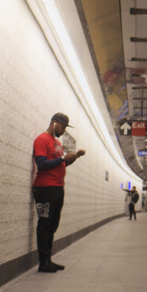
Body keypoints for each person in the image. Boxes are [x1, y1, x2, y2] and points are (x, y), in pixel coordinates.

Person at [32, 112, 86, 273]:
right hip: (45, 188)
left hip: (57, 188)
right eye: (62, 127)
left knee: (53, 225)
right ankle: (43, 262)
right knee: (45, 224)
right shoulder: (42, 140)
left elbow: (59, 165)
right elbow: (41, 164)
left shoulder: (57, 143)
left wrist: (73, 158)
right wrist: (63, 158)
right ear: (54, 123)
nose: (63, 131)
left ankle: (48, 259)